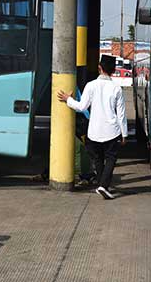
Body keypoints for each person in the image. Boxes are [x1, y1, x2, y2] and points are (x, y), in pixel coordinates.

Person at [57, 55, 127, 200]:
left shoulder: (90, 85)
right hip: (112, 131)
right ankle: (103, 186)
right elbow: (121, 114)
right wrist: (124, 134)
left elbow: (81, 107)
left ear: (99, 68)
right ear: (113, 71)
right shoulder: (117, 89)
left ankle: (101, 185)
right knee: (111, 159)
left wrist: (68, 99)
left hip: (94, 131)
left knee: (98, 159)